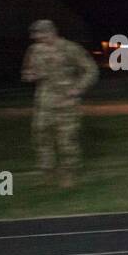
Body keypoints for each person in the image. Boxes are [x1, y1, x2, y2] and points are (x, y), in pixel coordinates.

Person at [20, 18, 99, 188]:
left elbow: (91, 70)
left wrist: (78, 88)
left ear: (51, 32)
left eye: (41, 35)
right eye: (36, 37)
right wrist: (30, 75)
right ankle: (47, 171)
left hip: (66, 101)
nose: (38, 40)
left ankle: (68, 172)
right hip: (44, 100)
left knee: (66, 138)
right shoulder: (34, 50)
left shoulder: (70, 48)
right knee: (41, 135)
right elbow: (28, 71)